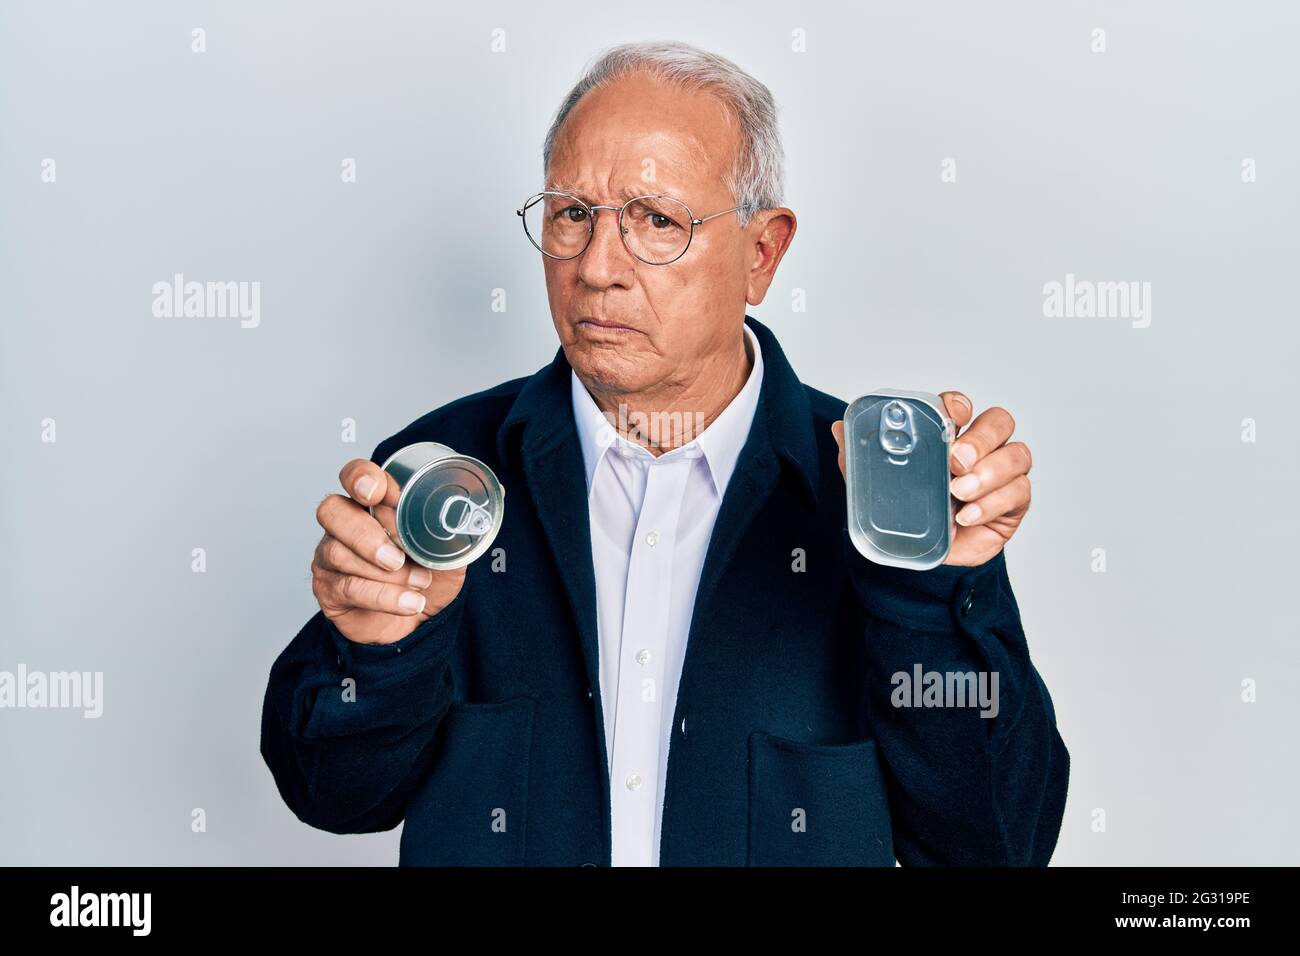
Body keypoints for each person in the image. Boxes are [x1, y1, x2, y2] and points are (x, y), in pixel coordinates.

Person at [260, 40, 1068, 866]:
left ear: (762, 253)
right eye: (572, 213)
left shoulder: (883, 501)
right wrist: (378, 651)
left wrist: (927, 592)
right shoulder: (444, 476)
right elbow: (333, 797)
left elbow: (996, 842)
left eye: (656, 221)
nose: (597, 268)